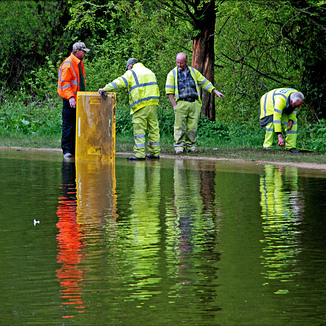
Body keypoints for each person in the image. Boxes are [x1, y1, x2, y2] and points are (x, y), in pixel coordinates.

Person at [98, 58, 160, 160]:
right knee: (153, 128)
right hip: (153, 104)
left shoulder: (132, 72)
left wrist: (105, 88)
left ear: (130, 66)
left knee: (139, 130)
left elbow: (119, 82)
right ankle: (155, 153)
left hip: (140, 105)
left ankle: (139, 154)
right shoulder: (149, 72)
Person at [165, 52, 224, 154]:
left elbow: (204, 82)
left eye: (181, 63)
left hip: (194, 103)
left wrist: (215, 91)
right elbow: (169, 91)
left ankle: (191, 146)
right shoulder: (172, 74)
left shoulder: (193, 72)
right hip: (181, 103)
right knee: (179, 126)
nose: (179, 65)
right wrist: (174, 105)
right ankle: (179, 146)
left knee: (193, 126)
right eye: (177, 62)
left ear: (186, 62)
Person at [57, 42, 90, 159]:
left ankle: (74, 149)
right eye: (83, 51)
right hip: (70, 100)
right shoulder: (68, 64)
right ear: (77, 51)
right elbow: (65, 83)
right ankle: (67, 150)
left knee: (77, 125)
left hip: (78, 99)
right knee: (69, 125)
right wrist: (71, 97)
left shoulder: (78, 63)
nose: (85, 53)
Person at [259, 88, 304, 152]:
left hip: (284, 105)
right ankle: (267, 146)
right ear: (291, 101)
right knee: (271, 123)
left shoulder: (296, 96)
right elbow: (277, 118)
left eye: (299, 105)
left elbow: (294, 111)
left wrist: (291, 120)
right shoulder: (280, 100)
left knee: (293, 123)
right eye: (296, 105)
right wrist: (279, 136)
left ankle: (291, 146)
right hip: (268, 102)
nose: (298, 107)